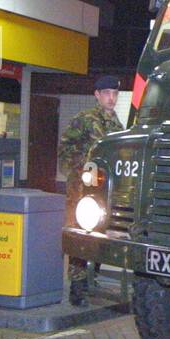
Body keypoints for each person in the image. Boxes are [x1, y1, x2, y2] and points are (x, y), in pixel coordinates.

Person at [58, 75, 124, 305]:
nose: (111, 98)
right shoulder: (84, 119)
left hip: (103, 192)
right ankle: (77, 288)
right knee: (79, 235)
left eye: (114, 94)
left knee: (99, 233)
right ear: (97, 95)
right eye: (106, 93)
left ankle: (92, 278)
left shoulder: (116, 124)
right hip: (81, 190)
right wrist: (78, 172)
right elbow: (65, 147)